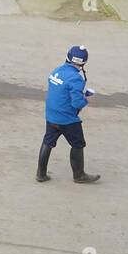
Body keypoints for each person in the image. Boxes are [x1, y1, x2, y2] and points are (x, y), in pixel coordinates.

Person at [38, 46, 100, 184]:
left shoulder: (57, 71)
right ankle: (79, 175)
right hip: (66, 119)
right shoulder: (76, 78)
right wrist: (86, 99)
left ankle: (40, 174)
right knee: (78, 144)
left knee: (48, 142)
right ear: (83, 63)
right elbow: (77, 103)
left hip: (51, 115)